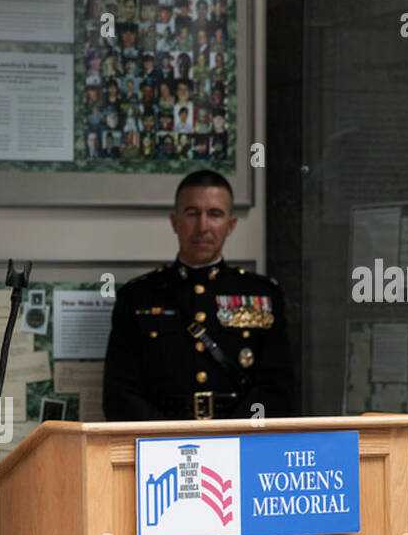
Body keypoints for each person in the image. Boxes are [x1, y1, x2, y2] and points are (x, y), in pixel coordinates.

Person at [103, 170, 294, 421]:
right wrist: (166, 441)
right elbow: (119, 393)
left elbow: (278, 389)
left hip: (240, 443)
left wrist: (231, 438)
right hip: (160, 448)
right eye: (192, 213)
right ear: (175, 222)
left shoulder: (262, 295)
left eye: (215, 214)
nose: (203, 226)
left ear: (231, 225)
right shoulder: (138, 297)